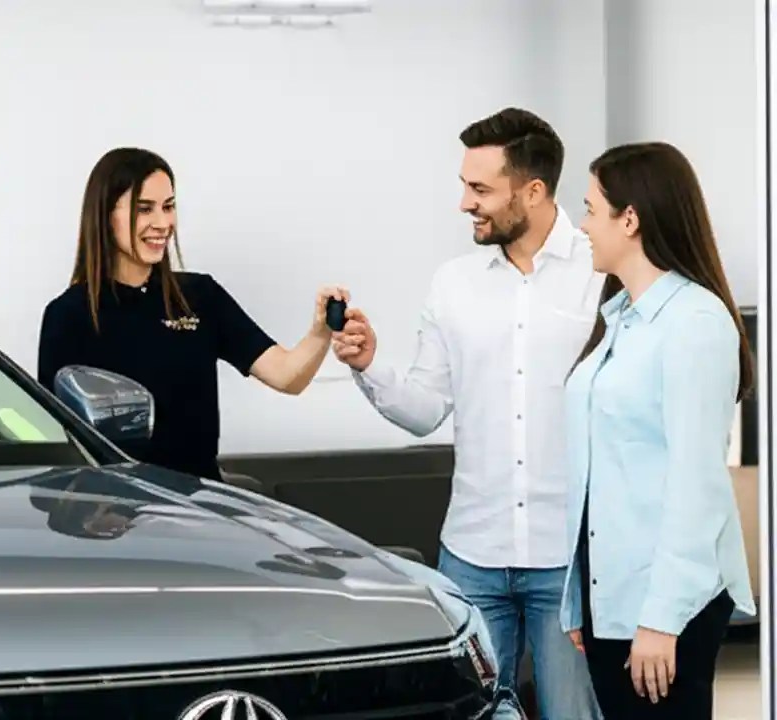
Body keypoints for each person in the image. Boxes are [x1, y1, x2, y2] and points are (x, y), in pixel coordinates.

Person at [331, 108, 601, 719]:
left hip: (571, 564)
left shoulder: (599, 271)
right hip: (472, 555)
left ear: (532, 191)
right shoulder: (453, 283)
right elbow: (425, 411)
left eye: (479, 189)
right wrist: (370, 366)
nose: (463, 203)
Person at [560, 141, 755, 717]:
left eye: (591, 210)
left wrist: (660, 620)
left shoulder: (693, 322)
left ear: (631, 218)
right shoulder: (621, 320)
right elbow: (603, 471)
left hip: (662, 603)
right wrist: (585, 600)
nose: (583, 228)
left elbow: (696, 487)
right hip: (613, 596)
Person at [36, 147, 346, 482]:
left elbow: (288, 376)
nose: (162, 223)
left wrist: (321, 331)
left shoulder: (200, 297)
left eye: (168, 207)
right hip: (118, 514)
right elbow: (61, 445)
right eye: (144, 209)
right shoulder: (68, 315)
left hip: (200, 508)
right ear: (104, 215)